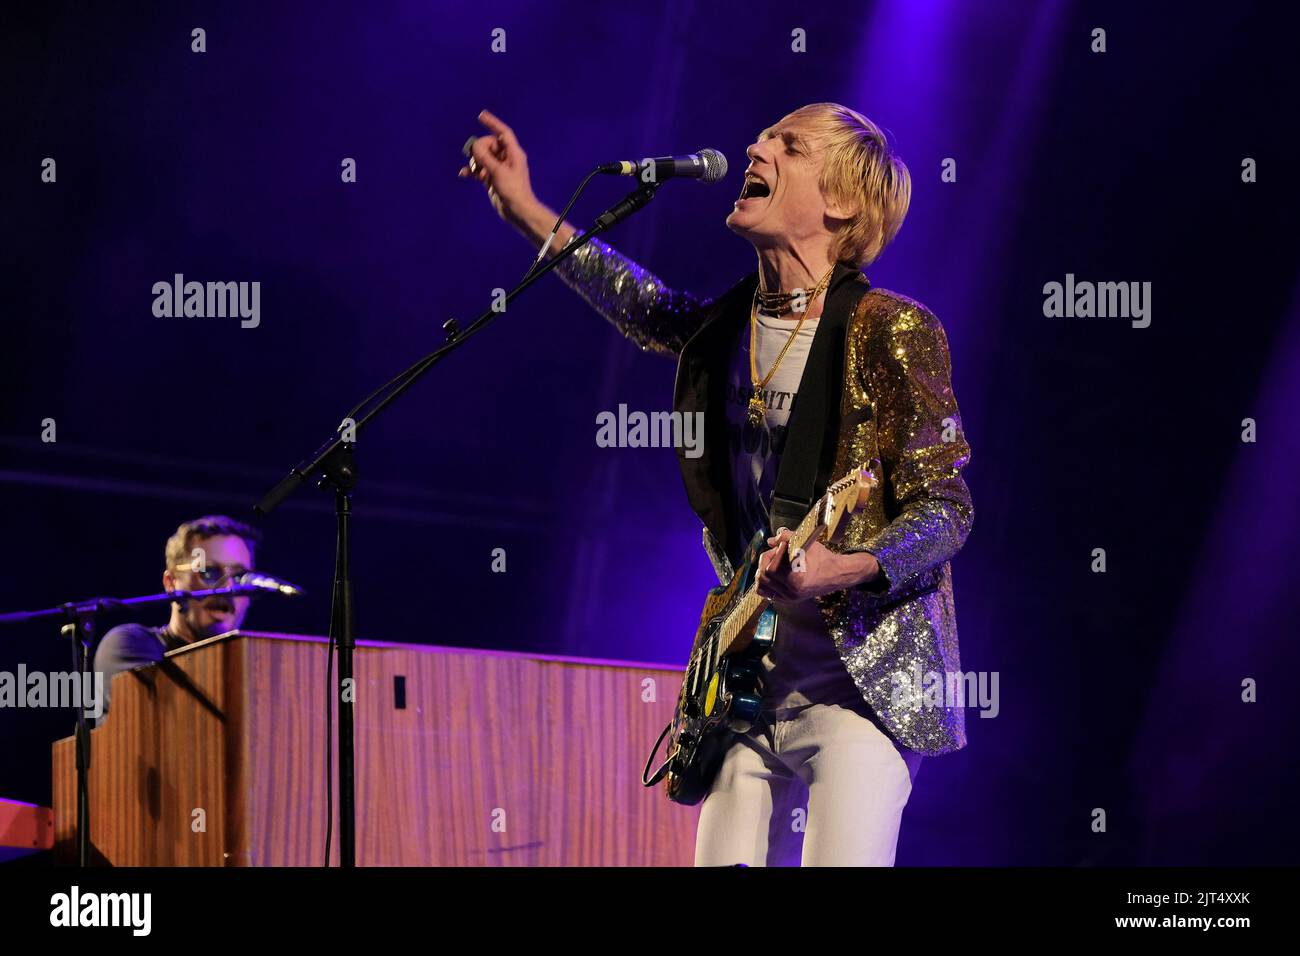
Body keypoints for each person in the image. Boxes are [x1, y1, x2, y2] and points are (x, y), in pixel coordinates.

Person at [462, 103, 974, 866]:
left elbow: (947, 508)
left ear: (840, 202)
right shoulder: (727, 328)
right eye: (763, 136)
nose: (754, 147)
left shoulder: (892, 328)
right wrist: (530, 210)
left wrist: (848, 567)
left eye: (786, 145)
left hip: (861, 692)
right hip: (745, 678)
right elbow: (641, 304)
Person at [92, 514, 261, 720]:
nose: (227, 588)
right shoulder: (130, 645)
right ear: (171, 583)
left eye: (238, 576)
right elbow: (171, 719)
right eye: (208, 572)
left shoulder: (257, 667)